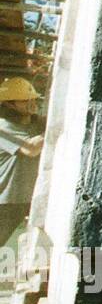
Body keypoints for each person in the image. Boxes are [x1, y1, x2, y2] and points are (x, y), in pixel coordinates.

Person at [0, 77, 45, 251]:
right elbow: (31, 148)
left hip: (29, 197)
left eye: (33, 99)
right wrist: (55, 128)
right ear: (9, 104)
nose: (32, 103)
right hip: (7, 201)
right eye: (25, 100)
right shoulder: (3, 127)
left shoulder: (33, 122)